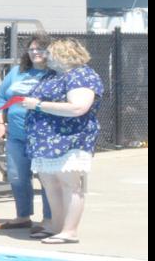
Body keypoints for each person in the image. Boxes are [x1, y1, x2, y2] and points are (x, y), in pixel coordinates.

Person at [18, 38, 104, 246]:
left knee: (70, 184)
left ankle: (69, 230)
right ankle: (55, 226)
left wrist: (38, 105)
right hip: (46, 140)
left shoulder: (82, 75)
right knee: (50, 183)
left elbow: (78, 107)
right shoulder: (52, 75)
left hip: (70, 139)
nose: (46, 56)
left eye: (51, 53)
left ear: (65, 54)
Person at [0, 35, 55, 231]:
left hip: (44, 135)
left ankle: (49, 219)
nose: (35, 52)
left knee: (46, 178)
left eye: (40, 49)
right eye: (32, 49)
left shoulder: (55, 73)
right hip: (16, 135)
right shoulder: (17, 72)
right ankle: (23, 216)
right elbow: (1, 97)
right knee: (17, 176)